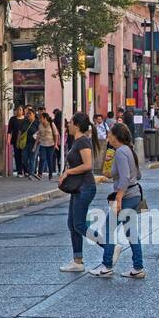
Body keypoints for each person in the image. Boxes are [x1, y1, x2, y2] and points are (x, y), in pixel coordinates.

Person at [92, 121, 146, 279]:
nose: (108, 136)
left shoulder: (121, 152)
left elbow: (125, 178)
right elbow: (137, 175)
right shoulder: (127, 150)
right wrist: (109, 174)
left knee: (107, 229)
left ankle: (106, 265)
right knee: (131, 233)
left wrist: (119, 198)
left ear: (115, 137)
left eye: (110, 134)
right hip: (134, 194)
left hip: (126, 196)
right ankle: (138, 267)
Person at [58, 112, 99, 273]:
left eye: (70, 123)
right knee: (72, 224)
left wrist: (68, 172)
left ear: (76, 125)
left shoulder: (83, 142)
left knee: (79, 225)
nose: (67, 125)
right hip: (77, 188)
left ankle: (108, 245)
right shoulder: (77, 141)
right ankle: (78, 260)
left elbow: (88, 165)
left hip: (85, 187)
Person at [7, 105, 28, 176]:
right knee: (17, 156)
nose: (18, 111)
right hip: (15, 140)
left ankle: (26, 171)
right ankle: (19, 171)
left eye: (20, 110)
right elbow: (9, 131)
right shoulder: (12, 119)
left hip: (24, 141)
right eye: (17, 110)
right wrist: (8, 139)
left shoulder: (26, 119)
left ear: (23, 111)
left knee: (24, 156)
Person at [36, 109, 57, 178]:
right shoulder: (40, 125)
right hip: (42, 144)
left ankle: (50, 173)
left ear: (45, 118)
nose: (40, 119)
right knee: (42, 158)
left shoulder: (51, 124)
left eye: (41, 118)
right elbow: (38, 134)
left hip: (51, 144)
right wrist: (36, 144)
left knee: (49, 159)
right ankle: (40, 173)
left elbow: (56, 134)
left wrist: (56, 144)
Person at [23, 107, 42, 180]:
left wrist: (35, 145)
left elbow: (40, 134)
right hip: (25, 143)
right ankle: (30, 171)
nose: (28, 115)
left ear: (34, 114)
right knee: (24, 158)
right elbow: (20, 132)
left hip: (35, 143)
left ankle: (31, 174)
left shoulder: (38, 123)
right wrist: (18, 141)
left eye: (30, 113)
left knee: (32, 158)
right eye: (27, 113)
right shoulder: (25, 122)